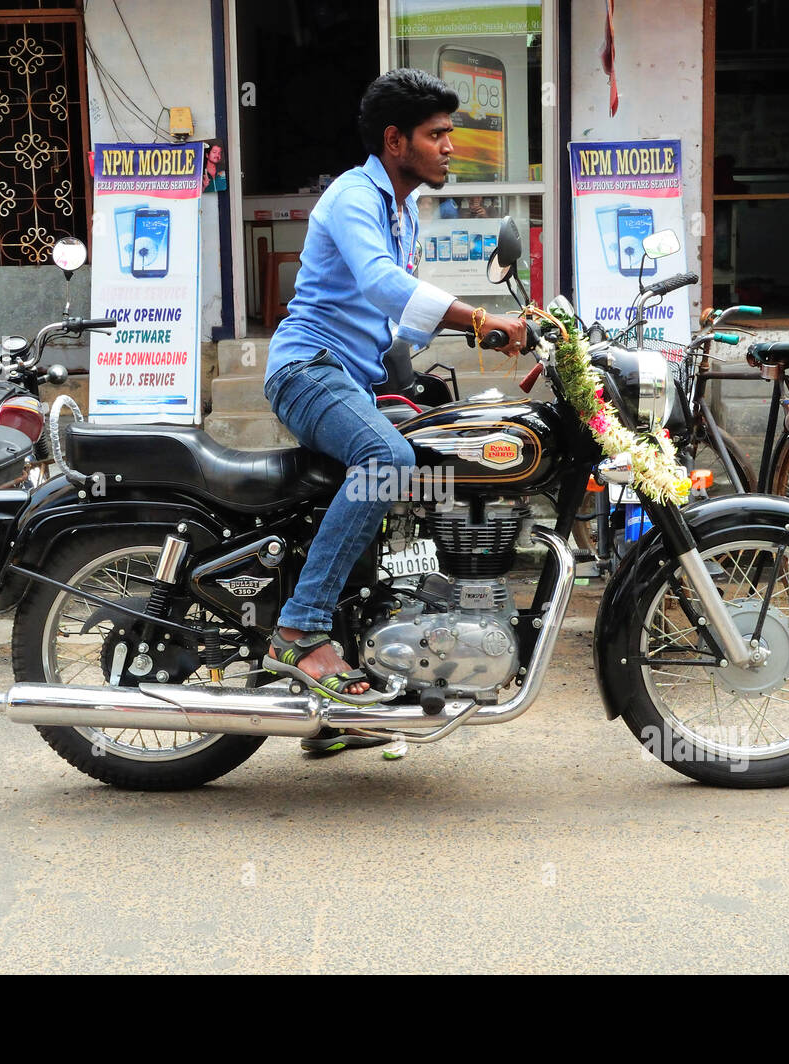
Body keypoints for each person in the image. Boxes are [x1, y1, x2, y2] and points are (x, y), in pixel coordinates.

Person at [261, 68, 526, 750]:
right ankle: (300, 627)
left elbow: (397, 324)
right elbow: (383, 286)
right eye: (437, 136)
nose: (449, 148)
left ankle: (343, 702)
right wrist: (476, 320)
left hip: (351, 377)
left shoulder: (401, 210)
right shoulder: (354, 197)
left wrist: (463, 360)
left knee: (434, 451)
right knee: (387, 459)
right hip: (308, 369)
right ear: (394, 139)